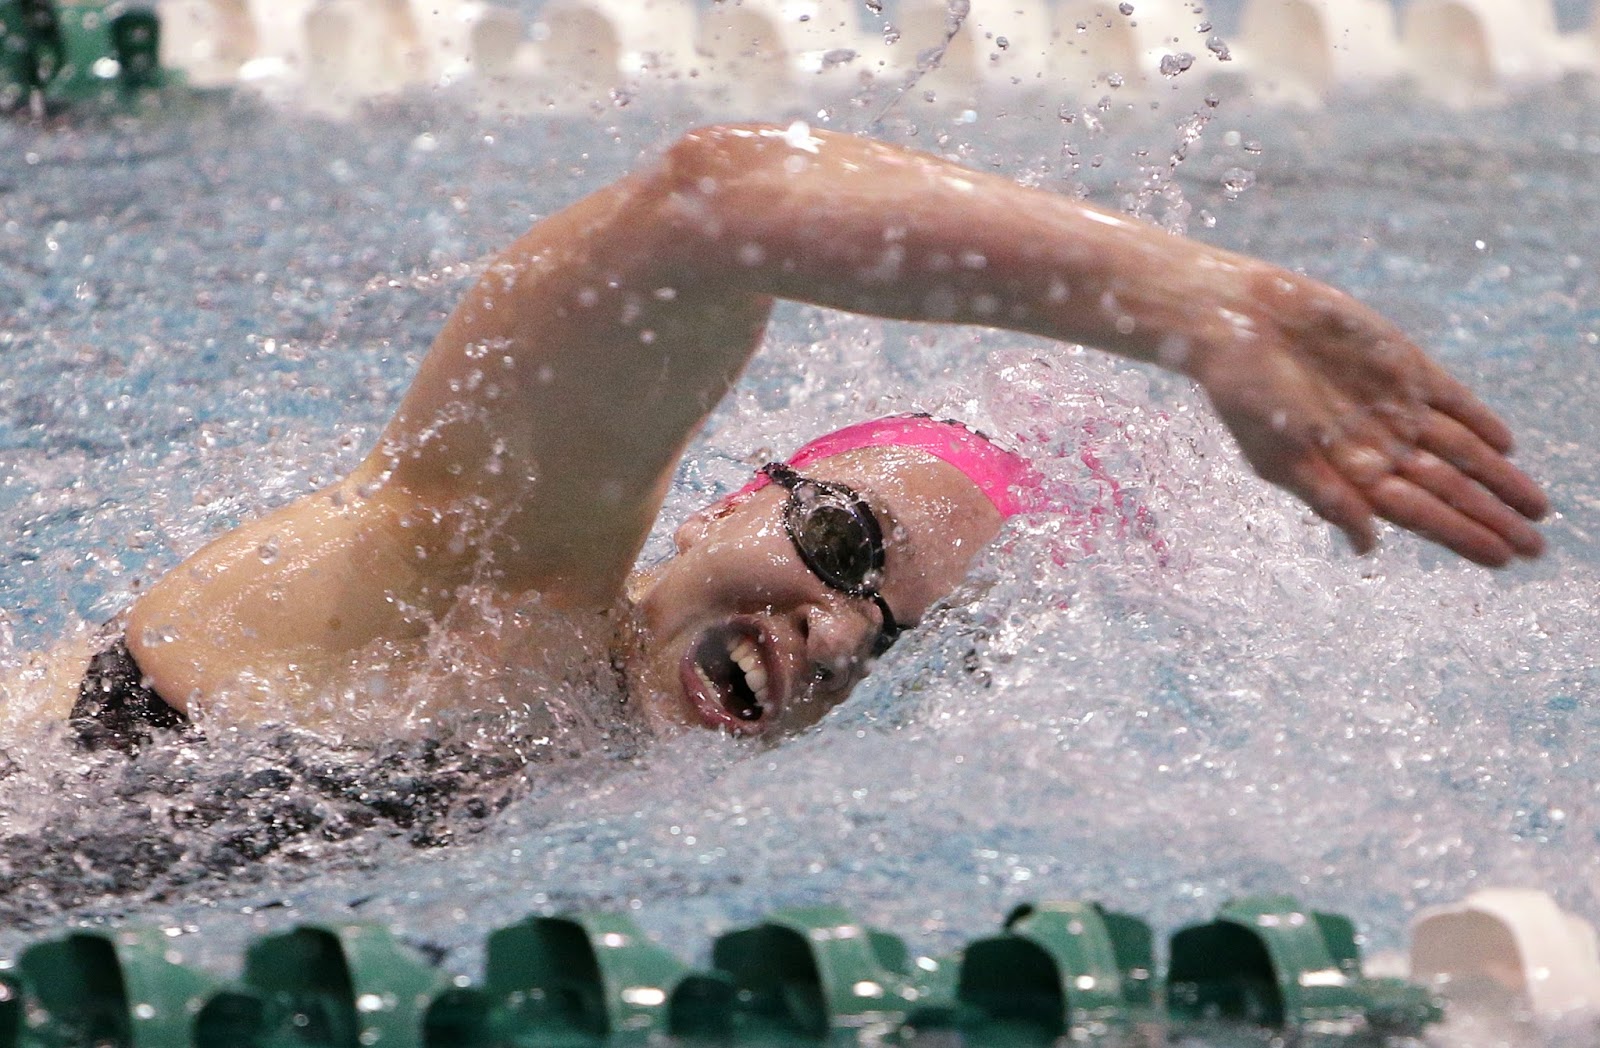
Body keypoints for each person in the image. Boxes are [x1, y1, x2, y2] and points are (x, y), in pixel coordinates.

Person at [12, 123, 1549, 751]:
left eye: (893, 647)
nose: (834, 629)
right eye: (841, 542)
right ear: (725, 501)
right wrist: (1202, 311)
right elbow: (715, 202)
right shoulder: (480, 578)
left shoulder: (595, 760)